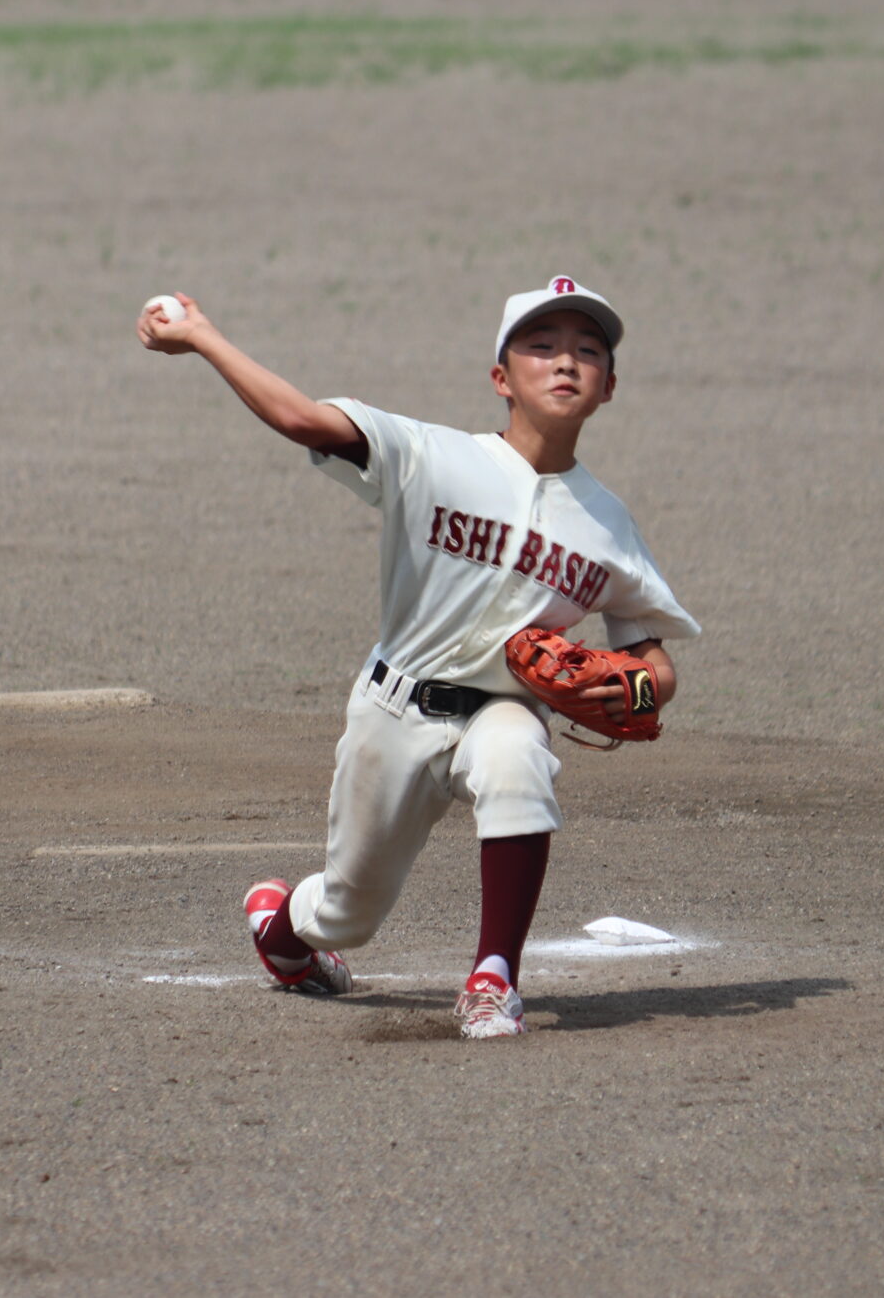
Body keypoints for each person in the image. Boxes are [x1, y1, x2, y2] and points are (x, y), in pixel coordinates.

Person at [137, 276, 699, 1039]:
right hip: (395, 709)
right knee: (347, 912)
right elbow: (301, 418)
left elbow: (651, 659)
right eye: (541, 346)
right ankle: (284, 929)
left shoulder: (607, 523)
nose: (565, 361)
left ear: (608, 387)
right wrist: (203, 336)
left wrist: (631, 689)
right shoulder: (431, 456)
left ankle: (494, 979)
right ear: (501, 378)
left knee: (517, 759)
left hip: (501, 710)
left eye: (587, 351)